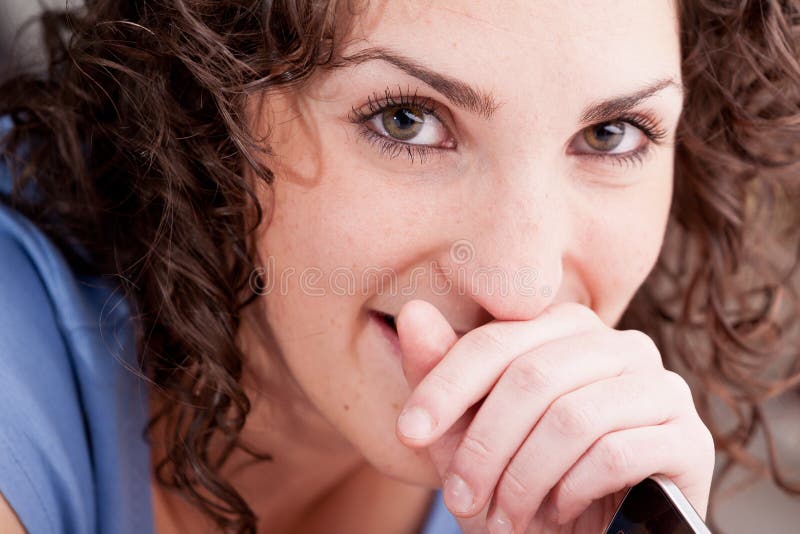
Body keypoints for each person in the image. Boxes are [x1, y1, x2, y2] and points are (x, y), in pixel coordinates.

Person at [0, 1, 798, 533]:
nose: (519, 286)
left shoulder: (586, 480)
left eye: (612, 135)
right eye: (406, 120)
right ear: (205, 100)